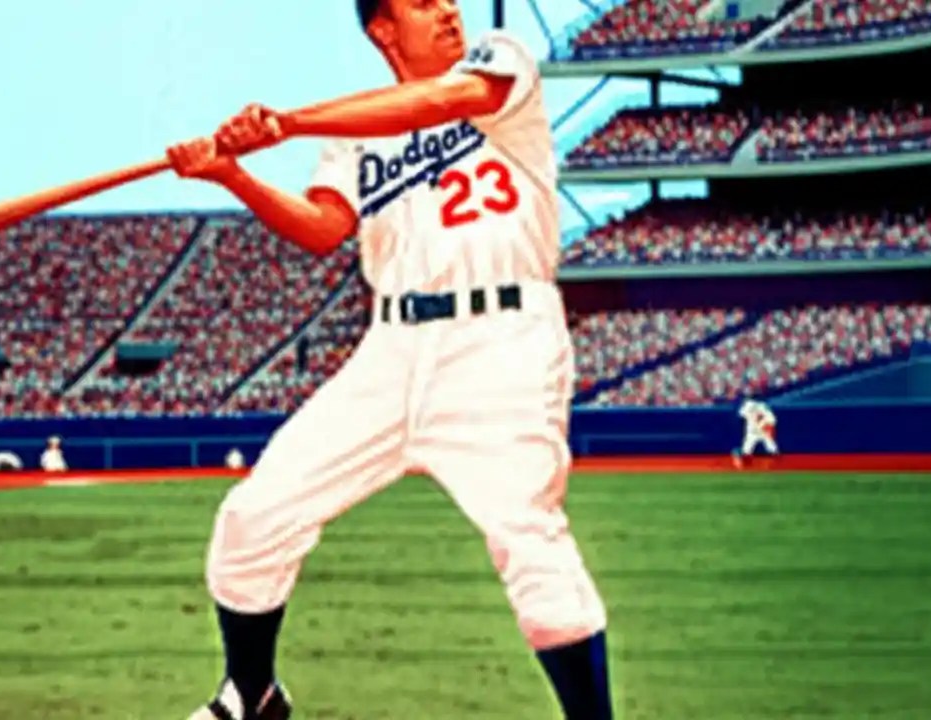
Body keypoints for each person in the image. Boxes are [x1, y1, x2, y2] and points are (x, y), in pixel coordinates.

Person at [167, 2, 612, 718]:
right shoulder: (353, 139)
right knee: (255, 515)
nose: (447, 12)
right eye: (424, 2)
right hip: (391, 346)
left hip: (501, 340)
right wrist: (233, 176)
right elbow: (322, 230)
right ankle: (251, 697)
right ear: (381, 29)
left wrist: (287, 121)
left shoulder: (500, 62)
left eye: (449, 1)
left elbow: (444, 99)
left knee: (528, 540)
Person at [734, 397, 779, 468]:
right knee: (770, 447)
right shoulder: (761, 405)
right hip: (758, 430)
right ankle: (777, 462)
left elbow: (740, 414)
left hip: (757, 430)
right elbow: (772, 419)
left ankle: (746, 462)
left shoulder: (748, 406)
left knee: (770, 447)